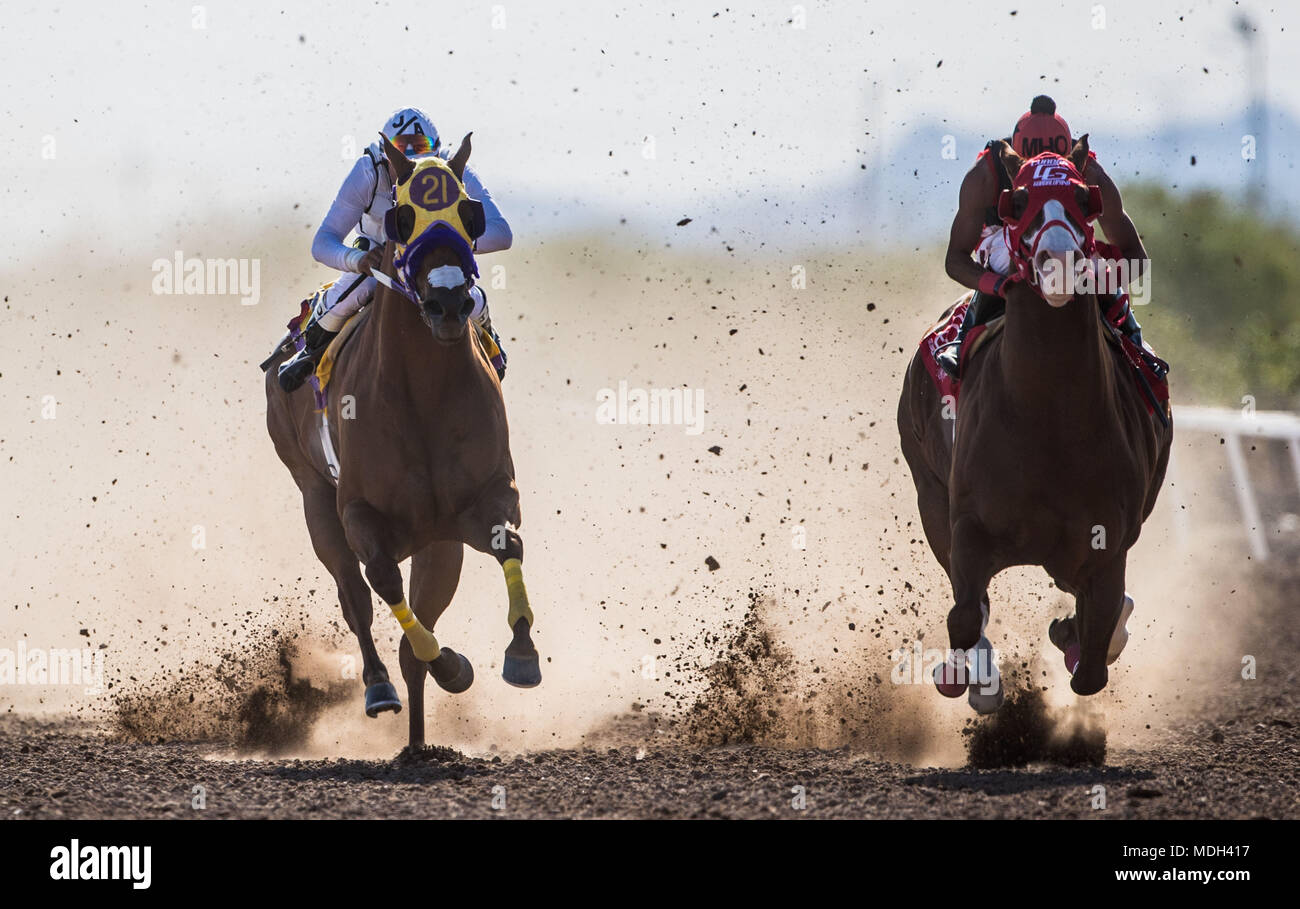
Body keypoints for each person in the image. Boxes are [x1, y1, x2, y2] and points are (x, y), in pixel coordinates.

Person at [279, 107, 512, 391]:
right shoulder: (368, 172)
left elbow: (502, 234)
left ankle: (488, 336)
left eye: (422, 161)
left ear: (437, 156)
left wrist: (453, 243)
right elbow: (323, 242)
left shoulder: (453, 168)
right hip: (377, 261)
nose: (413, 172)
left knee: (466, 296)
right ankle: (311, 351)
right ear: (387, 157)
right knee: (355, 293)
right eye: (403, 163)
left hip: (433, 258)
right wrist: (357, 260)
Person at [935, 96, 1155, 378]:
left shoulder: (1089, 171)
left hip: (1071, 239)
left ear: (1070, 158)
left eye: (1056, 167)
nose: (1045, 175)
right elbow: (955, 258)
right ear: (1013, 159)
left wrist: (1098, 282)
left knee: (1097, 264)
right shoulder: (985, 174)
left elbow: (1136, 258)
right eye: (1033, 167)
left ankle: (1136, 346)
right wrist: (999, 285)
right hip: (1004, 237)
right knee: (1004, 259)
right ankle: (963, 339)